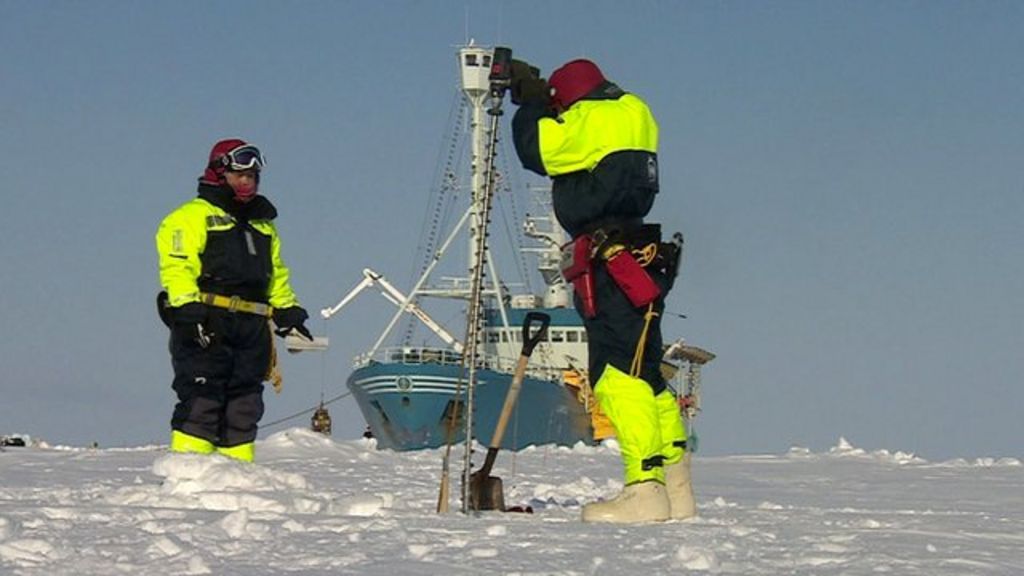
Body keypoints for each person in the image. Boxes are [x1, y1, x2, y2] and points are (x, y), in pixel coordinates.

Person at [509, 58, 694, 523]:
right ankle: (675, 486)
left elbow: (537, 150)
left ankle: (644, 488)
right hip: (641, 252)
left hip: (609, 257)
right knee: (647, 372)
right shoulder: (635, 110)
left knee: (615, 374)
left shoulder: (589, 118)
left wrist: (531, 106)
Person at [155, 138, 311, 462]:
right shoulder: (190, 217)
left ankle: (238, 478)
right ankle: (188, 475)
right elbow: (177, 264)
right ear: (219, 174)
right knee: (202, 397)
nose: (247, 182)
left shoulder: (263, 226)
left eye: (253, 176)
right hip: (208, 320)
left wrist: (288, 312)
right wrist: (186, 308)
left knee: (246, 402)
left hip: (252, 325)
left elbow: (276, 273)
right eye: (240, 174)